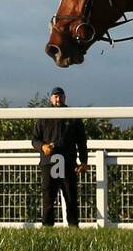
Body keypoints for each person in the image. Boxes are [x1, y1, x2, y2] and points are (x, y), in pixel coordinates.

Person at [31, 87, 89, 227]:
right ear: (51, 98)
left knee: (70, 196)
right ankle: (47, 227)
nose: (58, 99)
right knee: (48, 197)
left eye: (60, 96)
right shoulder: (43, 117)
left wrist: (84, 161)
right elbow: (35, 139)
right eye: (55, 97)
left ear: (65, 98)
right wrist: (43, 147)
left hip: (68, 162)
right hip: (49, 162)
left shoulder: (73, 117)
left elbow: (81, 141)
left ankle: (73, 226)